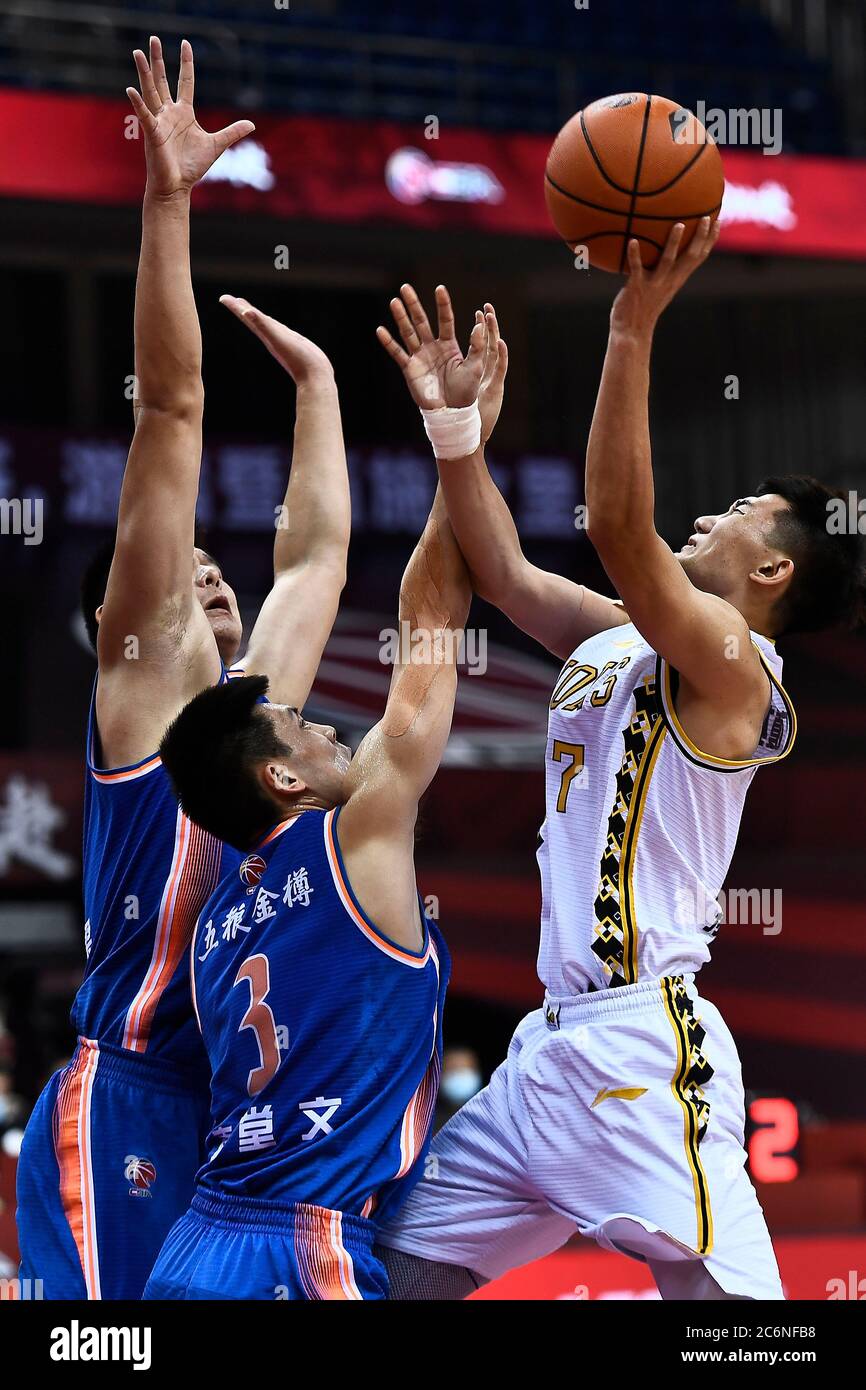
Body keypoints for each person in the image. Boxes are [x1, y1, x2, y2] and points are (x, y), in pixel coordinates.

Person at [373, 229, 864, 1300]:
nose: (708, 512)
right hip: (543, 1051)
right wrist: (454, 429)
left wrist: (628, 325)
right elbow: (499, 568)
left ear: (773, 568)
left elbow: (623, 528)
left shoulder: (739, 669)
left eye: (735, 512)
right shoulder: (619, 636)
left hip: (646, 1045)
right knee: (386, 1274)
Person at [15, 37, 350, 1300]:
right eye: (187, 575)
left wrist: (318, 385)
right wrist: (168, 204)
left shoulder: (255, 716)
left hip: (235, 1122)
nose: (208, 580)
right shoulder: (146, 688)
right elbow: (171, 415)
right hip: (124, 1093)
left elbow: (313, 554)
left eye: (224, 573)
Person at [141, 311, 494, 1295]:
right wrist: (457, 443)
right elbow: (429, 625)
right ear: (283, 779)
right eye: (306, 730)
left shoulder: (217, 919)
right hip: (300, 1246)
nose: (331, 731)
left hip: (196, 1240)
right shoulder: (361, 832)